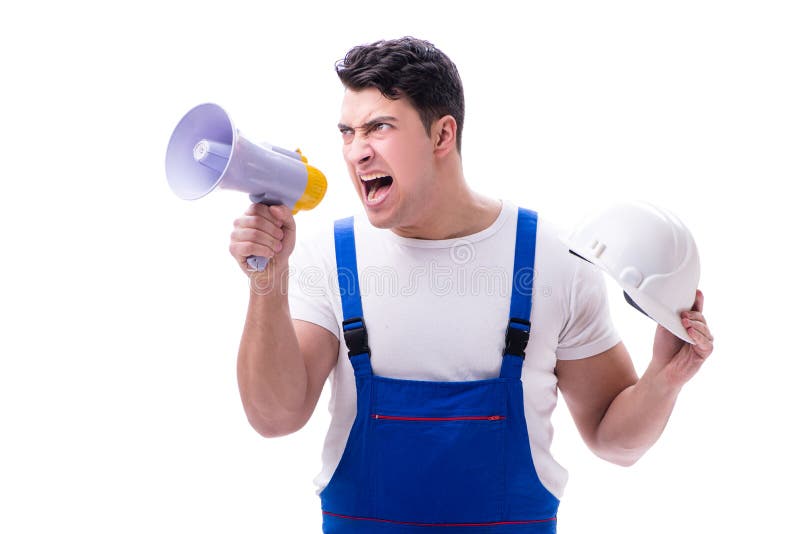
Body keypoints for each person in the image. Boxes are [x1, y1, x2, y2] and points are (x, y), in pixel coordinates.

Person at [229, 37, 714, 533]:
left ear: (442, 135)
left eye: (379, 127)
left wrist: (664, 378)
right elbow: (275, 417)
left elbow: (615, 443)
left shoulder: (553, 261)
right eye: (347, 133)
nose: (357, 152)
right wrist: (268, 278)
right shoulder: (329, 259)